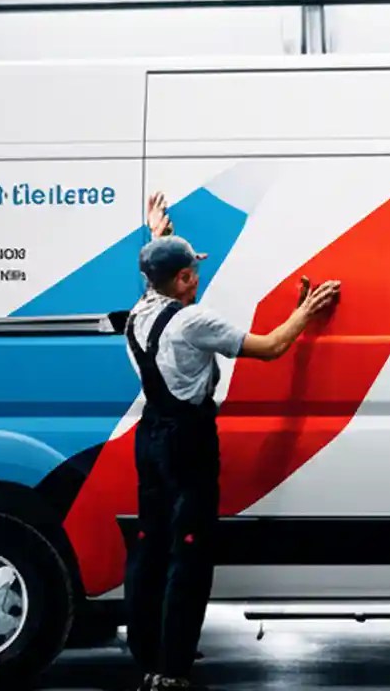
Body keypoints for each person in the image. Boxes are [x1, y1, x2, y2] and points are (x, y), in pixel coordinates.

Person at [125, 192, 340, 690]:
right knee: (190, 553)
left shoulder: (139, 314)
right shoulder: (193, 321)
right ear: (181, 279)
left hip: (151, 435)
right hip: (188, 441)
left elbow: (154, 271)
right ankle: (173, 669)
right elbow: (270, 347)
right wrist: (306, 311)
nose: (197, 278)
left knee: (150, 546)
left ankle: (147, 653)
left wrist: (159, 234)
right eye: (191, 272)